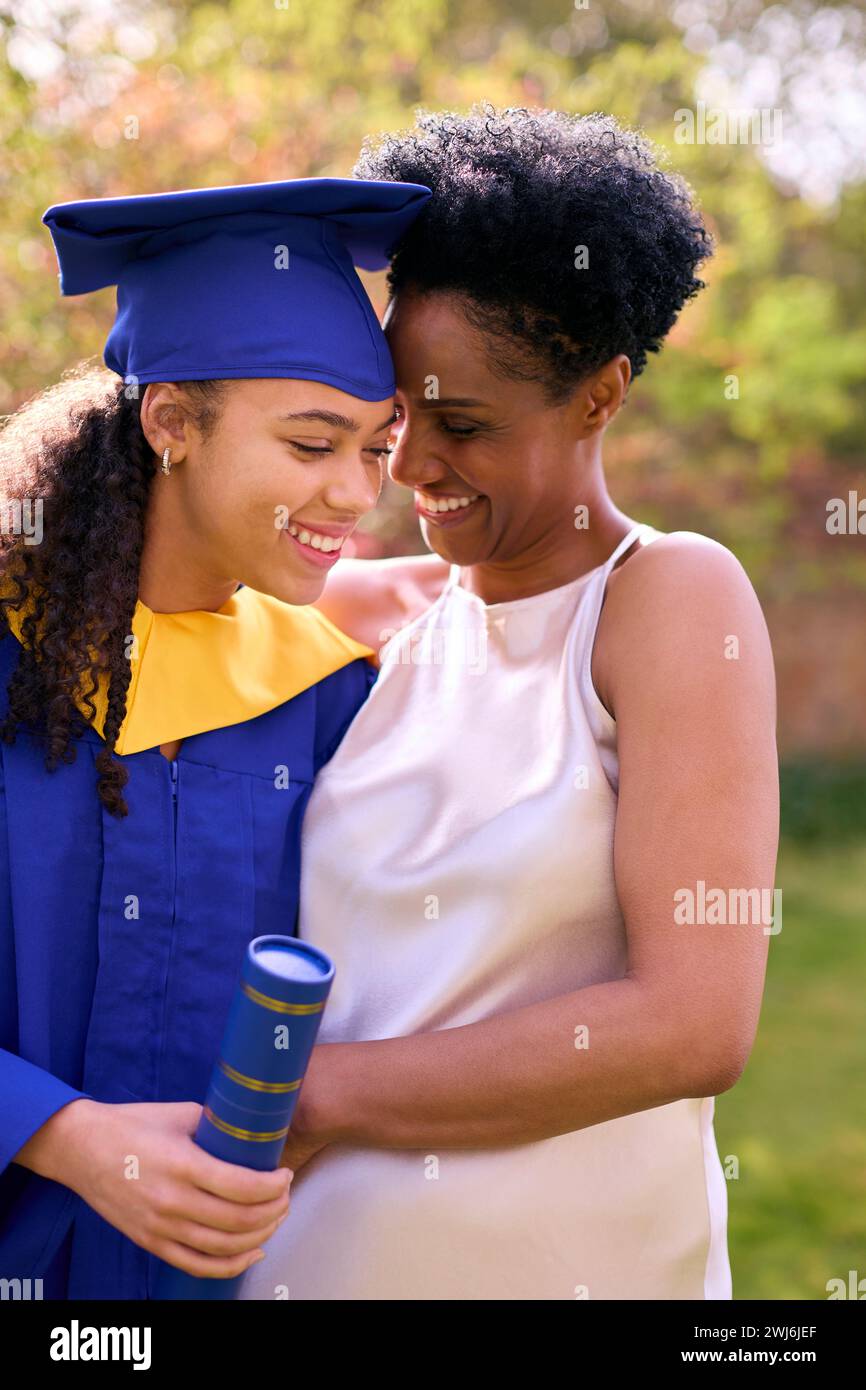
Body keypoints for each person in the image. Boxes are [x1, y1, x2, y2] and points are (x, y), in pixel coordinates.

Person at [240, 109, 780, 1301]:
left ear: (599, 395)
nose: (412, 464)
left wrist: (308, 1095)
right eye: (397, 414)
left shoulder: (662, 602)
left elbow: (692, 1023)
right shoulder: (354, 616)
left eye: (465, 425)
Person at [0, 174, 431, 1299]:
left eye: (375, 450)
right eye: (310, 444)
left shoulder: (321, 697)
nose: (353, 494)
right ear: (170, 424)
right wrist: (59, 1133)